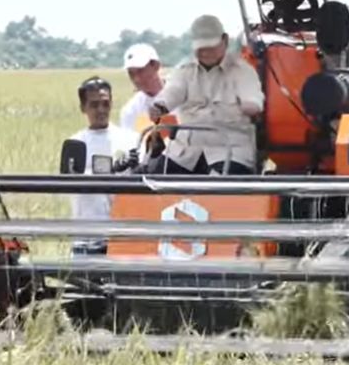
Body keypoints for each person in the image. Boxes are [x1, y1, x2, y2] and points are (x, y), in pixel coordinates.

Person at [148, 14, 264, 175]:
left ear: (225, 40)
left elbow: (253, 99)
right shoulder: (185, 71)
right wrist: (160, 106)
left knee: (217, 189)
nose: (206, 52)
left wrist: (250, 106)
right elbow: (172, 92)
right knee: (154, 181)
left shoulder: (243, 71)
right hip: (186, 150)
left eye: (211, 47)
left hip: (230, 150)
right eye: (201, 48)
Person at [67, 76, 140, 255]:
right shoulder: (75, 144)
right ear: (83, 108)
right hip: (86, 236)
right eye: (94, 105)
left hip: (122, 235)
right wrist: (113, 169)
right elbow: (70, 181)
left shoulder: (131, 140)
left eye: (105, 103)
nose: (101, 110)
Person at [119, 43, 169, 132]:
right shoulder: (130, 111)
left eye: (140, 71)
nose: (136, 79)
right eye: (131, 73)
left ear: (156, 66)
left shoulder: (185, 96)